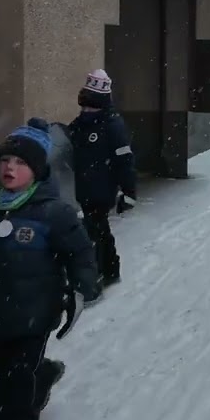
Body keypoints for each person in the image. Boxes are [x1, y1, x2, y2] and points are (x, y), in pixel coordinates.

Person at [0, 118, 100, 420]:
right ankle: (43, 376)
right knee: (1, 368)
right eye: (5, 160)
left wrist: (81, 290)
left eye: (21, 162)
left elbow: (80, 253)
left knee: (15, 379)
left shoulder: (53, 213)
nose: (10, 167)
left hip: (36, 312)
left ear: (37, 170)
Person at [68, 69, 137, 291]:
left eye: (92, 105)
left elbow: (125, 160)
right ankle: (108, 268)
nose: (87, 110)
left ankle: (103, 271)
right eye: (84, 105)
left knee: (95, 230)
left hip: (101, 188)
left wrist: (128, 192)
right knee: (97, 229)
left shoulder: (112, 125)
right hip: (83, 187)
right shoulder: (80, 124)